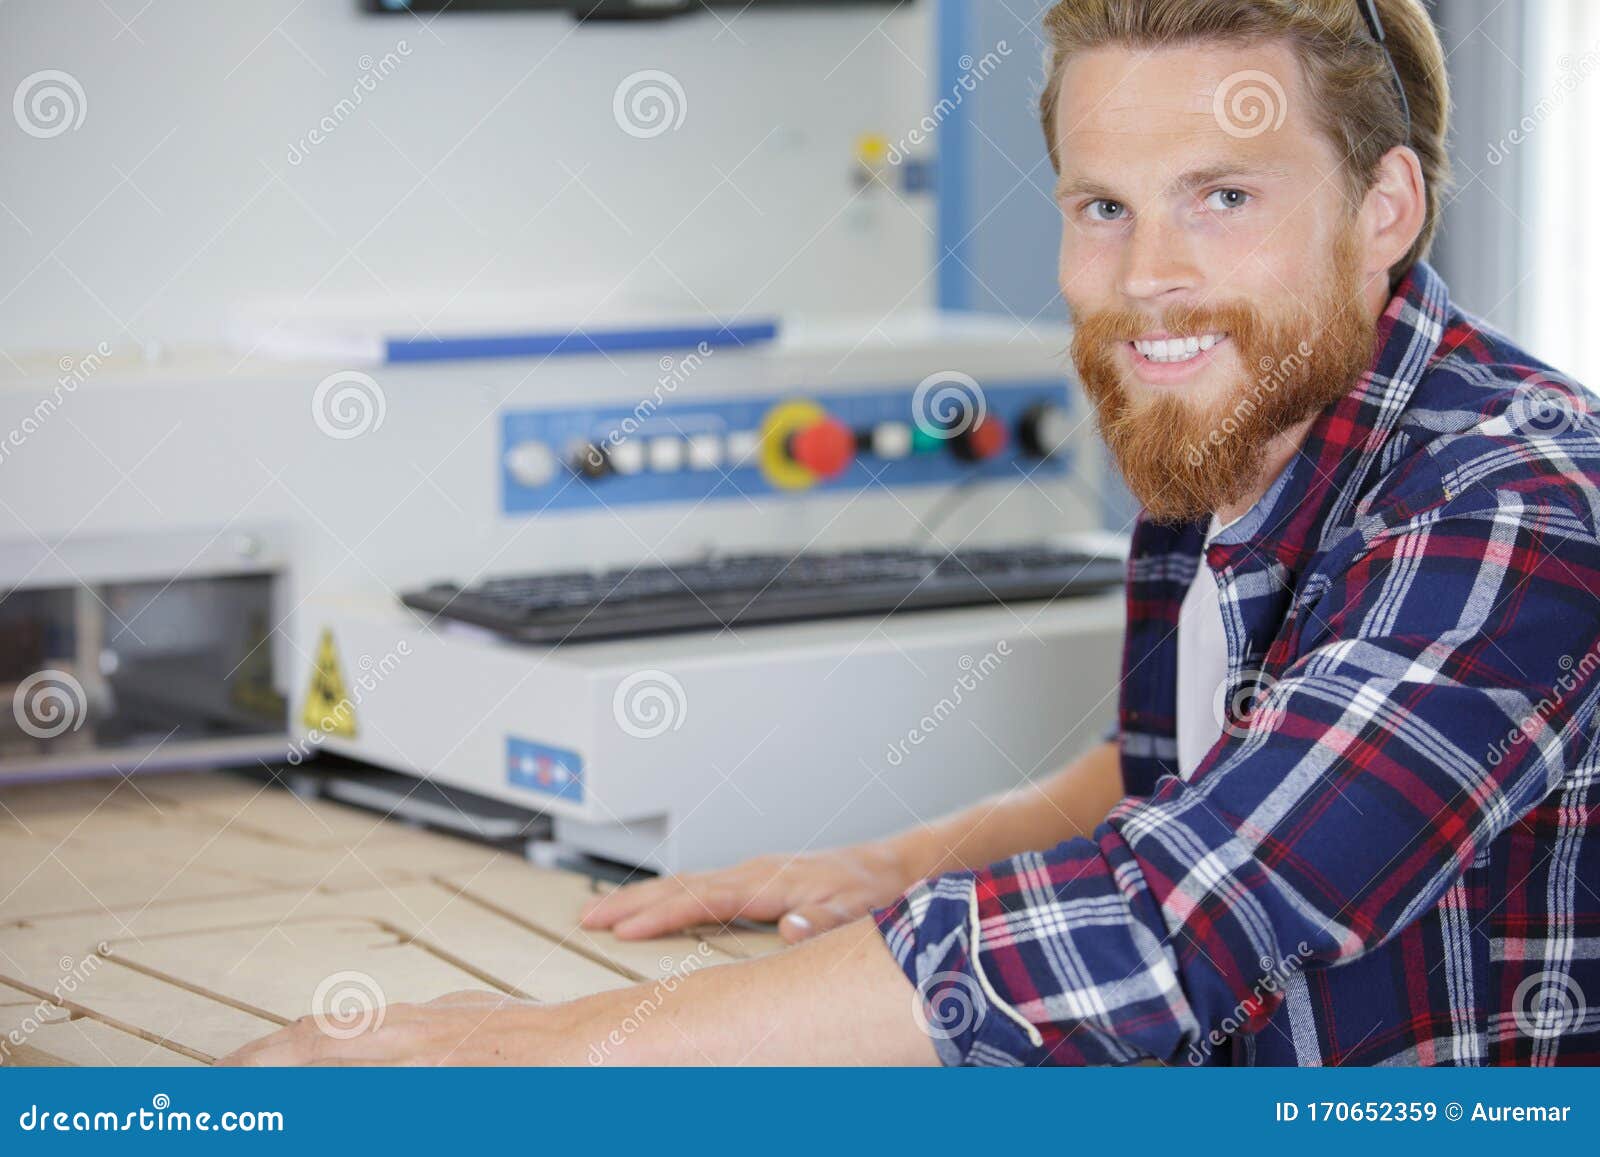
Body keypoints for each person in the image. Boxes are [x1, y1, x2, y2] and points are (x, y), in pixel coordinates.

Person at [224, 0, 1600, 1066]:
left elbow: (1171, 918)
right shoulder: (1235, 424)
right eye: (1103, 208)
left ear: (1386, 211)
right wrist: (904, 860)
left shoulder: (1517, 507)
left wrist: (556, 1048)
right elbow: (1173, 776)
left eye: (1223, 197)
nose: (1148, 281)